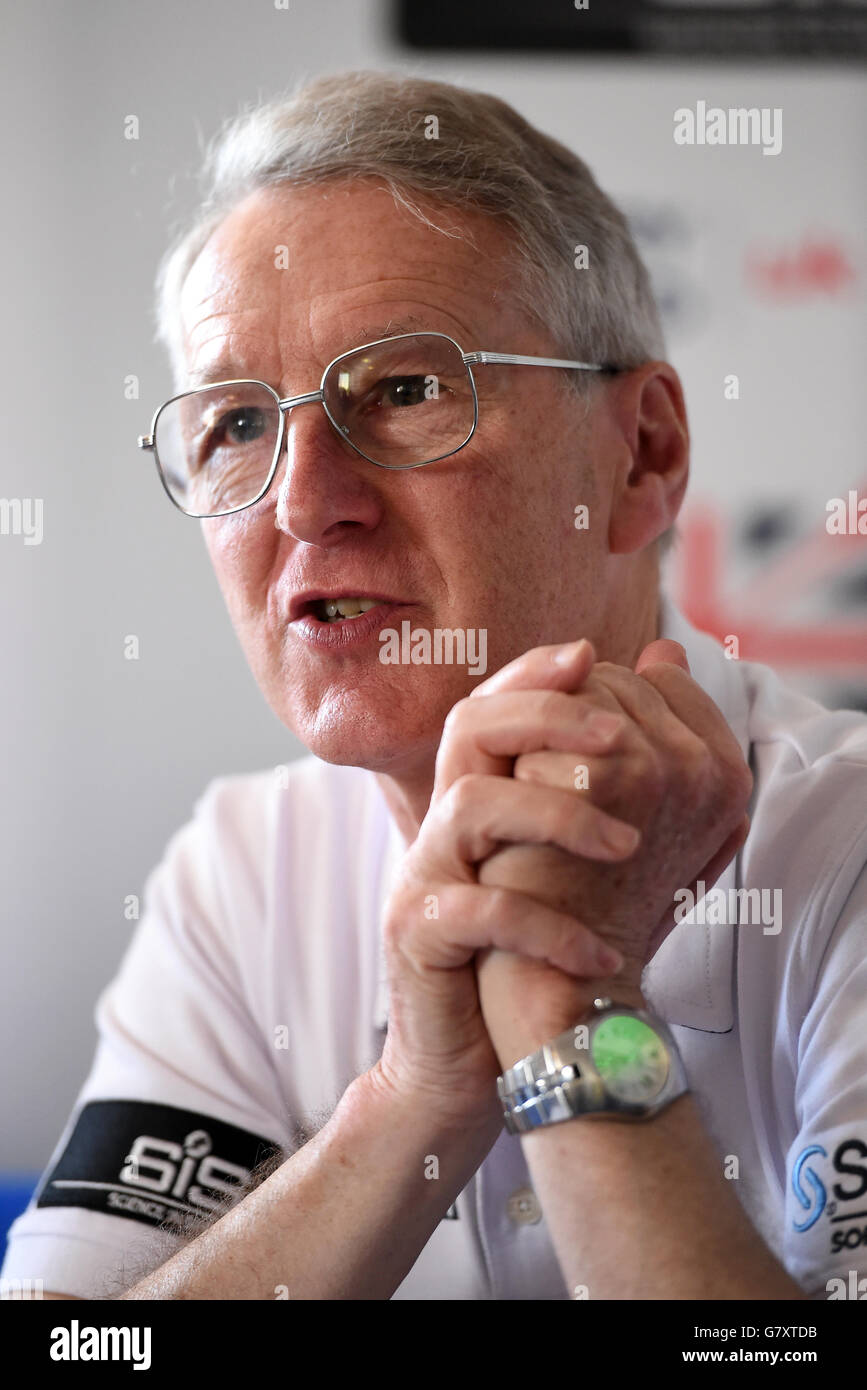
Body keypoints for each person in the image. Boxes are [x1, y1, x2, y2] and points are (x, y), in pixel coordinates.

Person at [4, 71, 866, 1302]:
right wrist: (417, 1096)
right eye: (237, 424)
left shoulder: (846, 849)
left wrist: (569, 1004)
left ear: (644, 456)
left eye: (405, 390)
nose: (304, 500)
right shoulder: (243, 865)